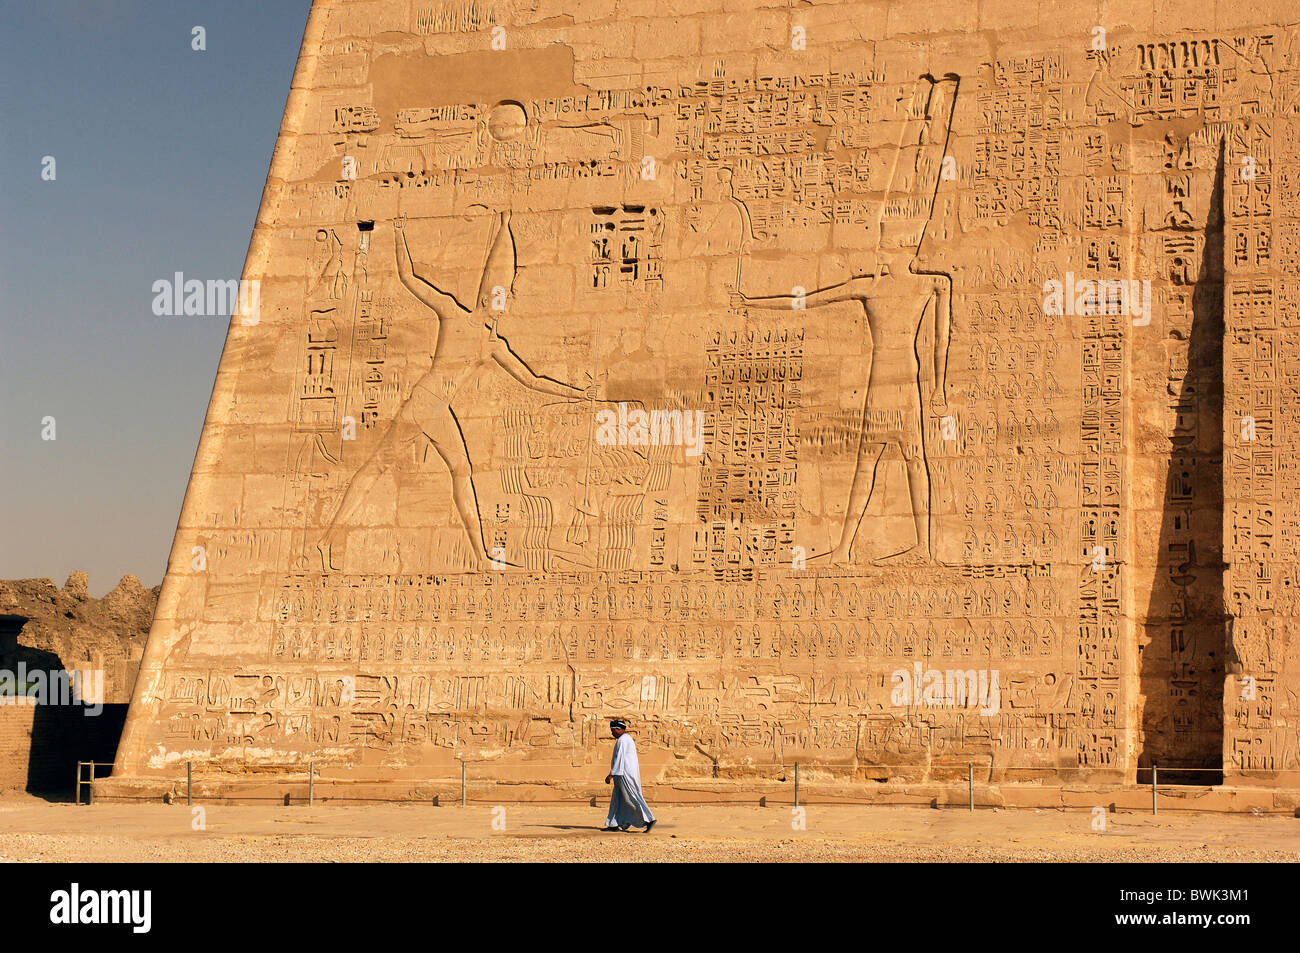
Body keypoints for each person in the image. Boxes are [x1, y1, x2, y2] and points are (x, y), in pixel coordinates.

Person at [602, 719, 655, 832]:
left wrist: (611, 775)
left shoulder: (622, 740)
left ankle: (648, 820)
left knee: (630, 798)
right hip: (623, 773)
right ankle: (613, 824)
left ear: (618, 729)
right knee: (618, 799)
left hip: (623, 774)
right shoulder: (627, 739)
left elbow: (619, 759)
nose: (612, 733)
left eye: (612, 730)